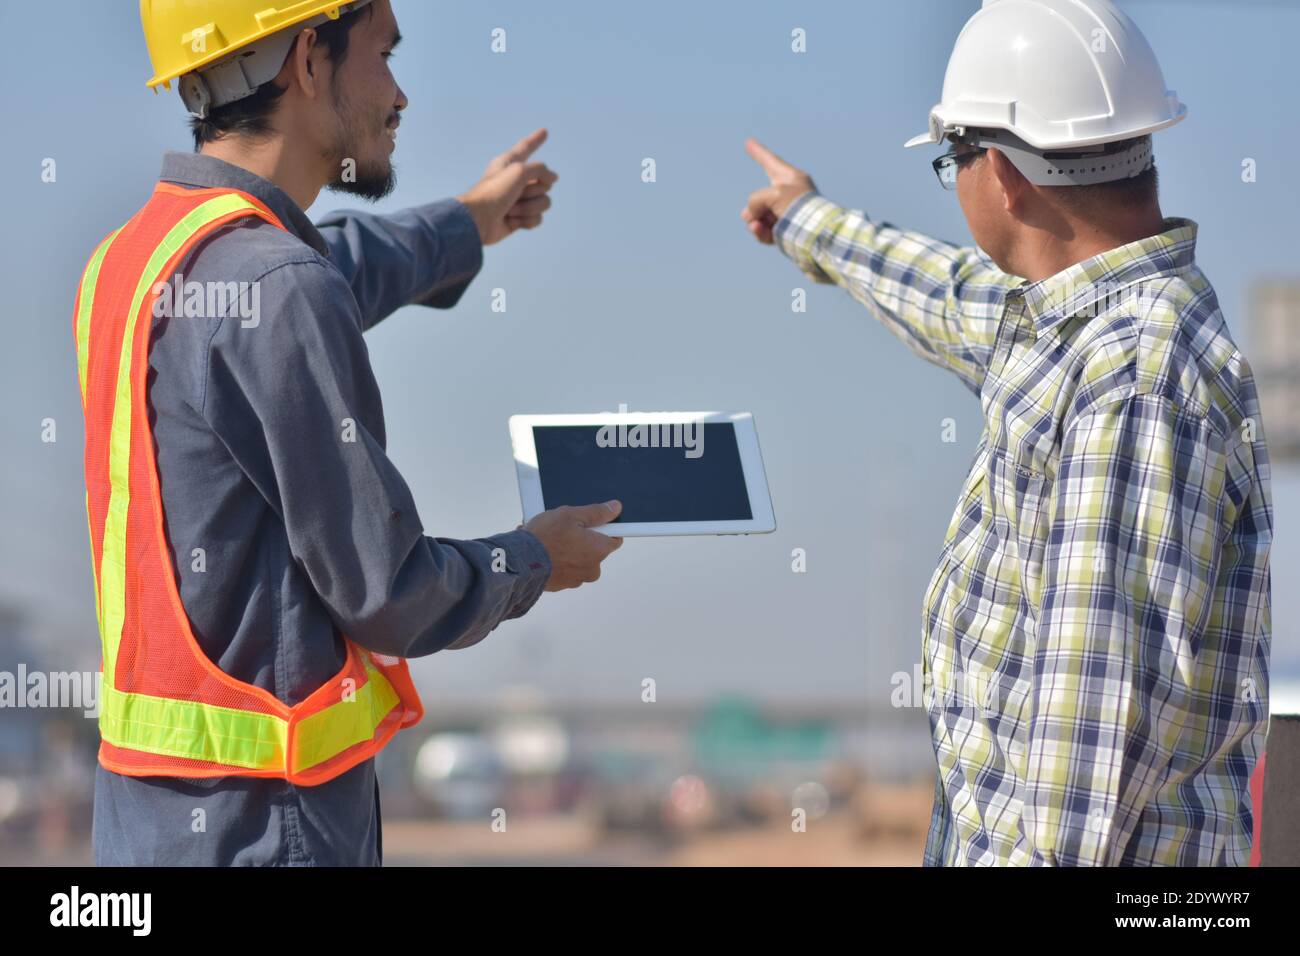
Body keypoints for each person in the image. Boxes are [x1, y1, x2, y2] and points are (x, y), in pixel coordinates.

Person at [78, 0, 621, 865]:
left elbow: (325, 272)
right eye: (383, 53)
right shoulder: (280, 284)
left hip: (146, 825)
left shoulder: (134, 261)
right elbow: (389, 591)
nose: (400, 93)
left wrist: (469, 221)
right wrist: (533, 560)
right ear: (307, 59)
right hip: (268, 828)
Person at [741, 0, 1271, 865]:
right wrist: (810, 222)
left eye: (951, 158)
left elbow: (1081, 775)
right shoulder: (1083, 326)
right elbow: (950, 299)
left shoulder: (1129, 383)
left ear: (1001, 173)